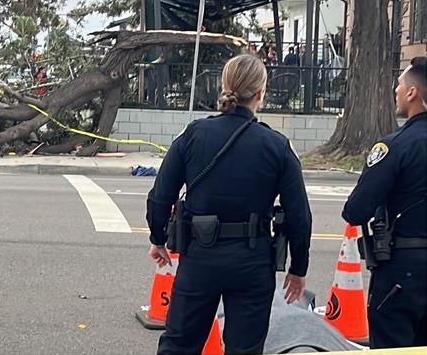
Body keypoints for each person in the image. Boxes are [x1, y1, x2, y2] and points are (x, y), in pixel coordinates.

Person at [146, 54, 312, 354]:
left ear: (223, 86)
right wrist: (298, 268)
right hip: (252, 260)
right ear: (261, 94)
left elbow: (161, 195)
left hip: (200, 257)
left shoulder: (192, 135)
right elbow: (299, 216)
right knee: (244, 349)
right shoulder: (277, 146)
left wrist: (158, 238)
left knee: (179, 346)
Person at [341, 56, 427, 349]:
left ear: (413, 93)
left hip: (403, 273)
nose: (396, 90)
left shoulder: (395, 146)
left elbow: (355, 211)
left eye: (400, 84)